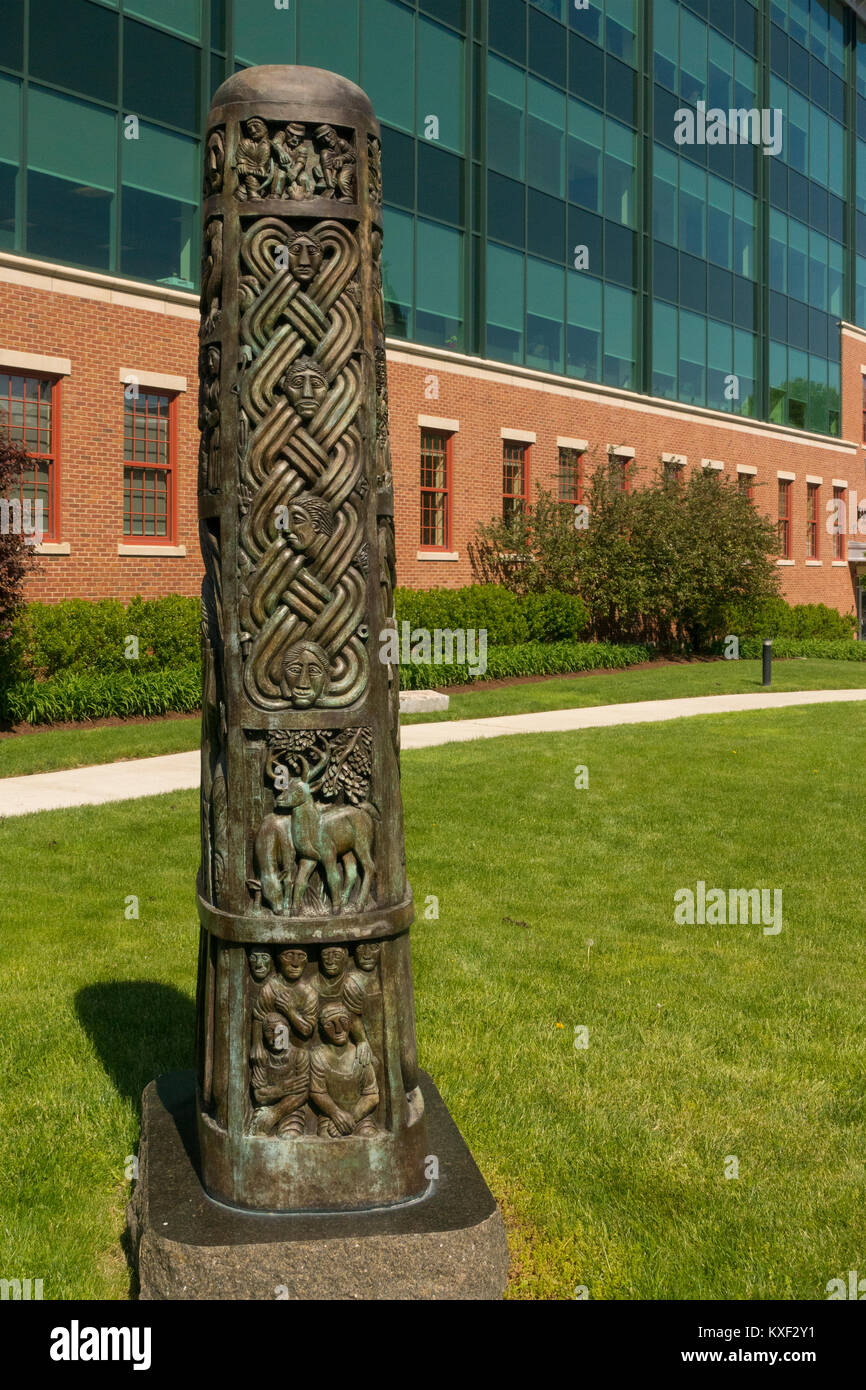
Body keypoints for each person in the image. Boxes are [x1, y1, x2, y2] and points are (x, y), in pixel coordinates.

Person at [309, 1002, 379, 1137]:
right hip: (329, 1115)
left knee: (369, 1136)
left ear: (351, 1024)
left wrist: (350, 1118)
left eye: (343, 1021)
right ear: (322, 1029)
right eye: (330, 1024)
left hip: (360, 1115)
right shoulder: (318, 1056)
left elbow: (372, 1095)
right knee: (327, 1138)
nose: (338, 1029)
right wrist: (336, 1113)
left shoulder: (360, 1054)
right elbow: (318, 1092)